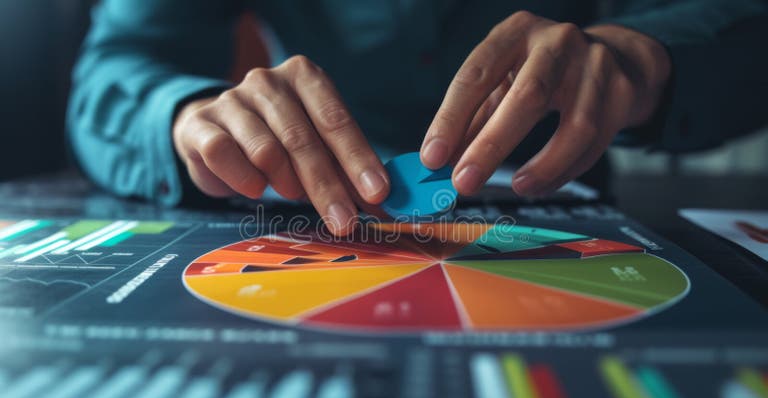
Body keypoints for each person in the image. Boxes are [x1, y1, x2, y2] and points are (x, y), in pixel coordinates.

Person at [68, 0, 768, 234]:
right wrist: (185, 115)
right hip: (314, 202)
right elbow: (118, 63)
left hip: (565, 196)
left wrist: (640, 59)